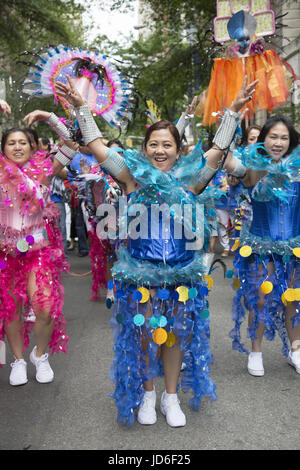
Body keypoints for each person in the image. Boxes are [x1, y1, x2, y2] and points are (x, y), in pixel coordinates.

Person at [55, 75, 255, 427]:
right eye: (154, 145)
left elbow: (217, 153)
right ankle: (148, 393)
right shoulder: (132, 179)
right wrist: (82, 109)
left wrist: (234, 112)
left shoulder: (191, 182)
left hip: (182, 275)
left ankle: (171, 397)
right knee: (145, 333)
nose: (160, 151)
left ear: (178, 151)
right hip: (140, 274)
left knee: (175, 333)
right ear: (144, 149)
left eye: (167, 145)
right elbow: (100, 147)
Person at [0, 107, 79, 386]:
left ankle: (40, 355)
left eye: (23, 142)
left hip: (38, 254)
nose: (18, 146)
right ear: (4, 148)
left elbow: (71, 142)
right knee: (11, 310)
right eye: (12, 142)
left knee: (44, 309)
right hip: (5, 256)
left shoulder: (44, 170)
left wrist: (49, 117)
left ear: (32, 147)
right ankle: (18, 360)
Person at [224, 114, 300, 377]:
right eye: (273, 137)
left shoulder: (298, 169)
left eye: (284, 138)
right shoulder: (253, 170)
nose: (278, 142)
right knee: (259, 300)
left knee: (294, 300)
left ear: (291, 142)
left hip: (293, 248)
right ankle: (256, 351)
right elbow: (223, 158)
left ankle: (296, 350)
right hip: (260, 246)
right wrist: (231, 116)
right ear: (263, 140)